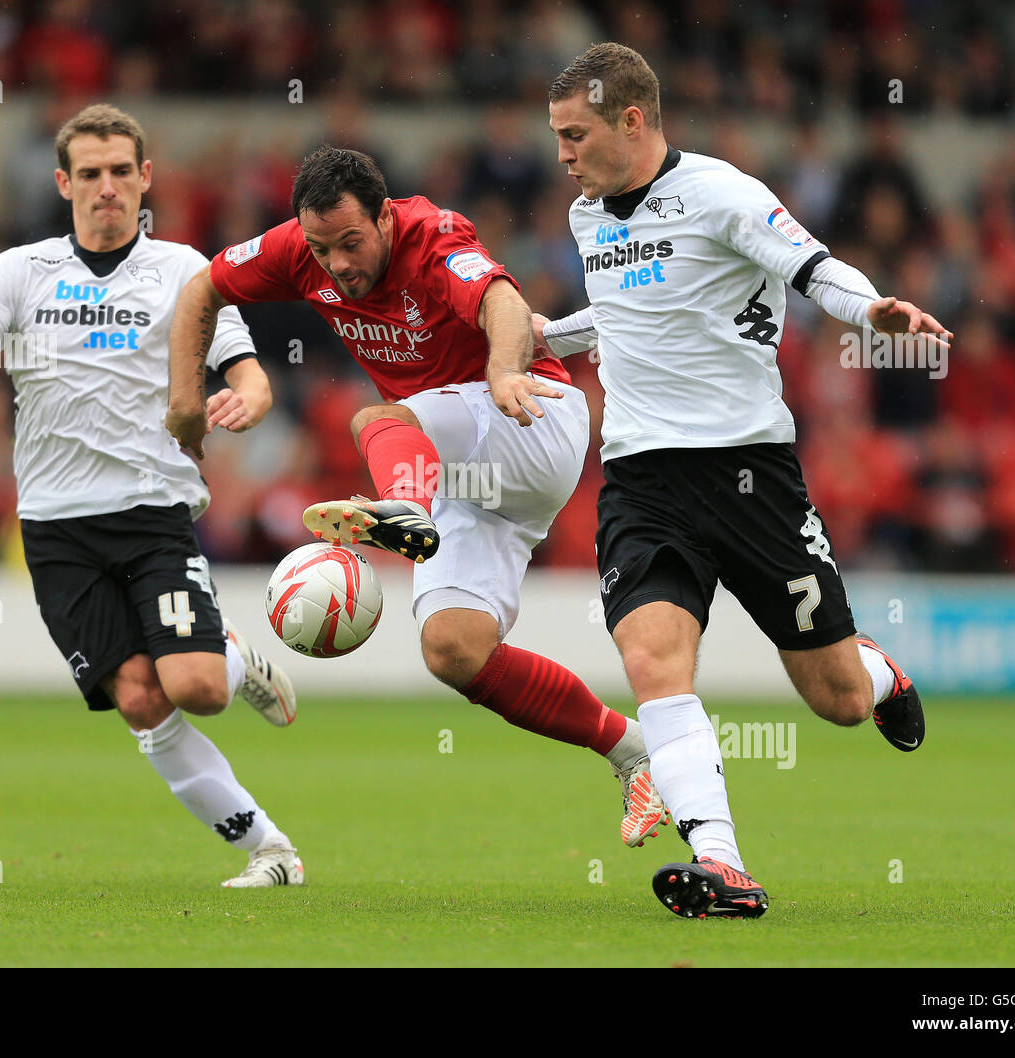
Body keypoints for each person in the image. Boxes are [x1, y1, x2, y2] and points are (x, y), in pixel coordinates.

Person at [538, 43, 950, 917]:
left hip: (749, 473)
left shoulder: (724, 193)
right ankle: (723, 865)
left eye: (576, 134)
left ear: (633, 120)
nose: (564, 154)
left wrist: (872, 307)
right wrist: (542, 336)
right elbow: (622, 314)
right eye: (558, 137)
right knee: (653, 661)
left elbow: (814, 266)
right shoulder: (587, 218)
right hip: (640, 478)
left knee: (834, 698)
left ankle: (878, 678)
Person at [165, 146, 668, 847]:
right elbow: (200, 288)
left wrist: (499, 371)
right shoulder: (298, 251)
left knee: (376, 418)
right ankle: (636, 753)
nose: (337, 262)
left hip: (530, 415)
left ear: (385, 217)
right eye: (321, 247)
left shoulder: (432, 236)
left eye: (351, 242)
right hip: (462, 470)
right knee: (454, 650)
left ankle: (403, 507)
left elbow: (504, 302)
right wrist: (188, 403)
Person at [0, 104, 303, 889]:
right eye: (89, 174)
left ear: (145, 178)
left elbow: (251, 375)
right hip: (56, 529)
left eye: (120, 172)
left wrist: (249, 403)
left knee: (195, 687)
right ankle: (272, 852)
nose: (106, 188)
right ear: (63, 183)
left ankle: (230, 659)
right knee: (138, 698)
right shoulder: (21, 274)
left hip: (150, 509)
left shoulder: (182, 271)